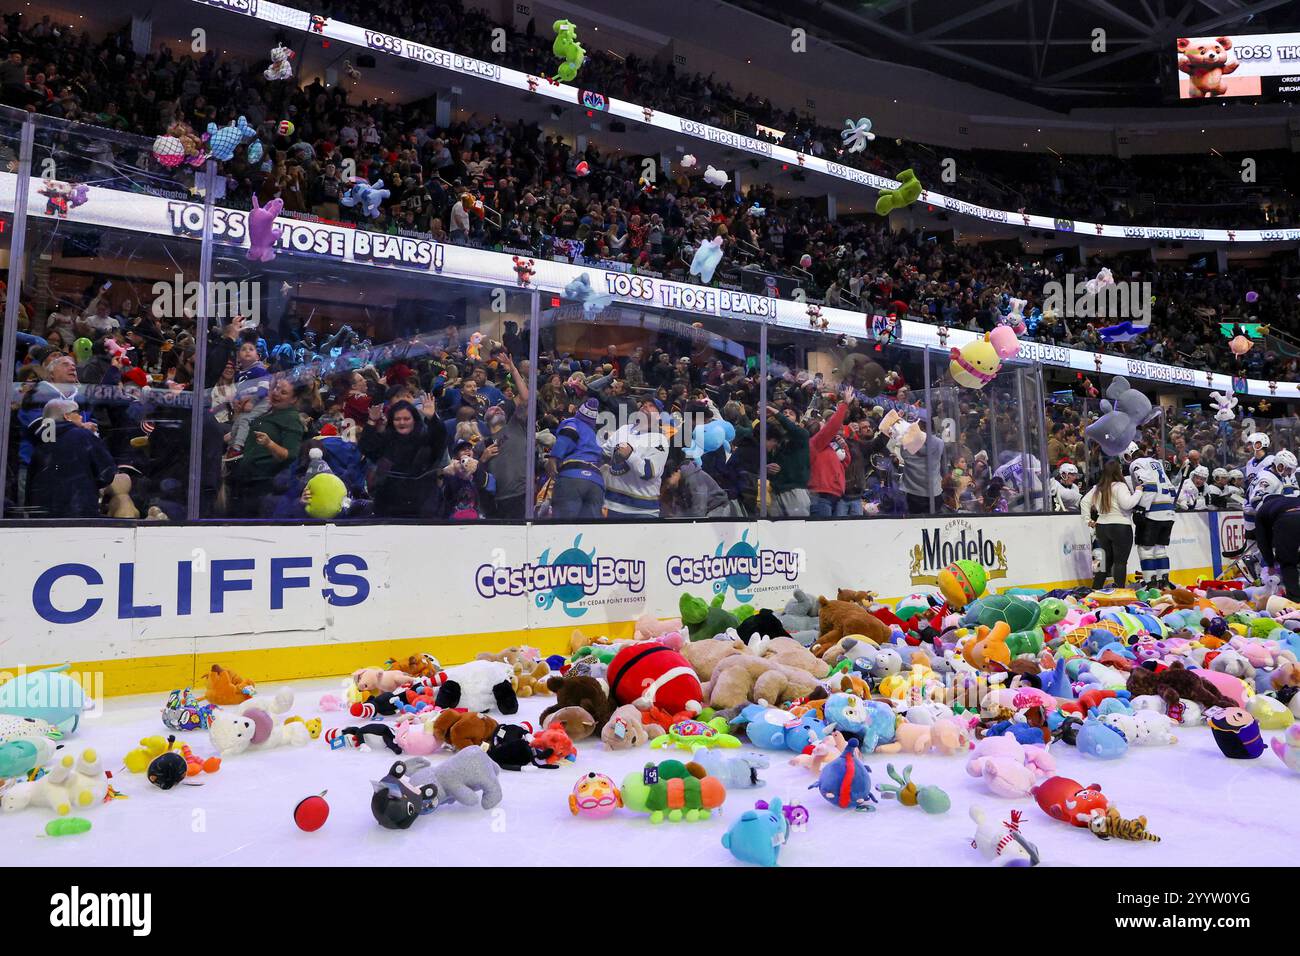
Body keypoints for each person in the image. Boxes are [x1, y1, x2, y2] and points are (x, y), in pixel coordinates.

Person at [359, 396, 448, 519]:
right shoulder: (386, 440)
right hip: (389, 505)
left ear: (414, 420)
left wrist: (432, 418)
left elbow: (440, 438)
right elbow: (366, 448)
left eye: (406, 419)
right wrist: (371, 421)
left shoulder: (425, 439)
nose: (402, 422)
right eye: (397, 419)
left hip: (423, 504)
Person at [25, 398, 117, 518]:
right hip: (78, 511)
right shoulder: (83, 436)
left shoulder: (41, 442)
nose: (81, 417)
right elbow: (107, 473)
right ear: (67, 416)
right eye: (77, 412)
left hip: (42, 514)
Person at [229, 377, 306, 517]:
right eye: (276, 388)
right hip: (246, 480)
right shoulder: (268, 410)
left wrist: (269, 444)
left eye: (283, 393)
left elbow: (290, 455)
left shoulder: (291, 419)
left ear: (294, 399)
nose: (276, 393)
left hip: (263, 486)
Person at [602, 395, 670, 518]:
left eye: (651, 406)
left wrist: (629, 455)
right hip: (612, 504)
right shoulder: (623, 430)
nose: (645, 406)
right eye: (644, 404)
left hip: (642, 511)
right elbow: (604, 454)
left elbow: (649, 472)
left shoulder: (660, 440)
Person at [1080, 459, 1142, 589]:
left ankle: (1095, 590)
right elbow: (1127, 504)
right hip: (1120, 527)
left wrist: (1088, 519)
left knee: (1104, 563)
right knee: (1120, 562)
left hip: (1102, 527)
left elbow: (1084, 502)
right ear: (1118, 471)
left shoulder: (1098, 488)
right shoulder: (1120, 486)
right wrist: (1138, 492)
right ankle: (1119, 592)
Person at [547, 398, 605, 519]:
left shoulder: (573, 422)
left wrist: (553, 457)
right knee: (590, 531)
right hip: (596, 482)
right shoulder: (595, 435)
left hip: (572, 477)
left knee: (565, 528)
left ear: (578, 412)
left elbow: (568, 435)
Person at [1128, 447, 1177, 586]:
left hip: (1152, 512)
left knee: (1145, 549)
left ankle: (1150, 584)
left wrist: (1141, 508)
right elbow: (1172, 490)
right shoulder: (1156, 463)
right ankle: (1163, 582)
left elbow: (1150, 487)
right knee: (1160, 548)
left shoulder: (1137, 463)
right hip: (1168, 512)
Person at [1254, 487, 1300, 597]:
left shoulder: (1263, 510)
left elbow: (1263, 541)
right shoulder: (1290, 500)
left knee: (1288, 562)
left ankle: (1295, 598)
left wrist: (1270, 564)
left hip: (1288, 519)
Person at [900, 419, 945, 515]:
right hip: (934, 491)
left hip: (913, 492)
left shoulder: (907, 442)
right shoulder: (939, 443)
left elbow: (903, 455)